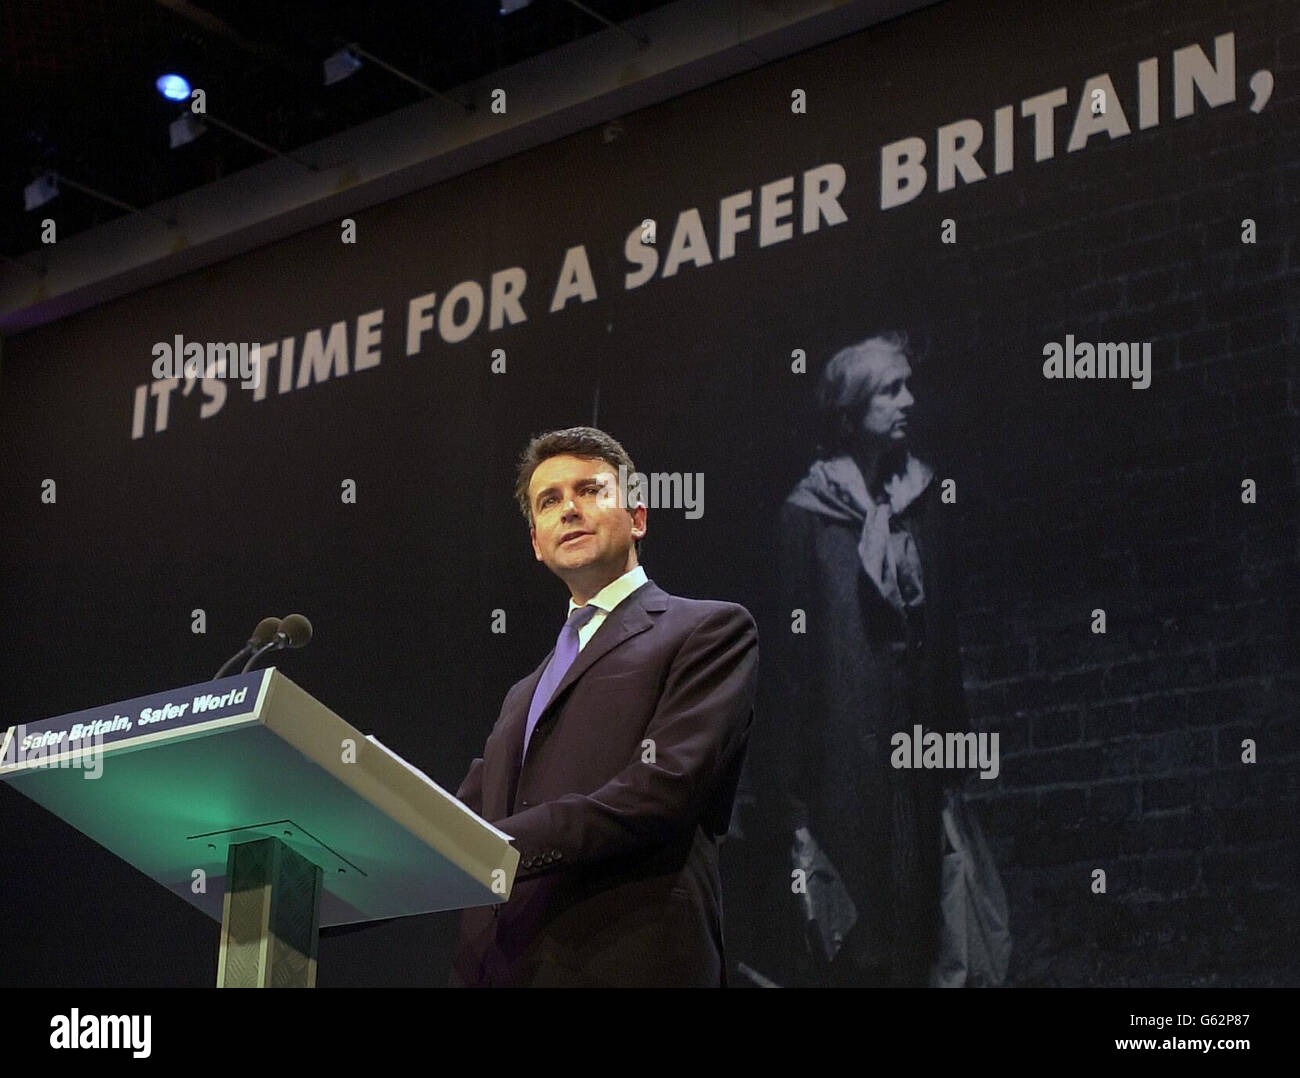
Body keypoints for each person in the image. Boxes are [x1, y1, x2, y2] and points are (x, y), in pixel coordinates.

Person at [450, 426, 759, 987]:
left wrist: (499, 849)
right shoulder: (523, 693)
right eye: (550, 501)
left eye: (591, 491)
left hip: (629, 961)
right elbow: (457, 824)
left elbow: (662, 789)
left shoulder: (708, 630)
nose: (570, 509)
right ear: (537, 543)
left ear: (638, 518)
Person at [756, 332, 972, 987]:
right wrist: (789, 784)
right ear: (851, 410)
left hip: (916, 745)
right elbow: (790, 662)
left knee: (925, 914)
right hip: (844, 751)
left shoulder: (922, 503)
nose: (909, 401)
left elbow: (943, 639)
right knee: (856, 924)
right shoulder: (808, 515)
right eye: (890, 390)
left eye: (909, 385)